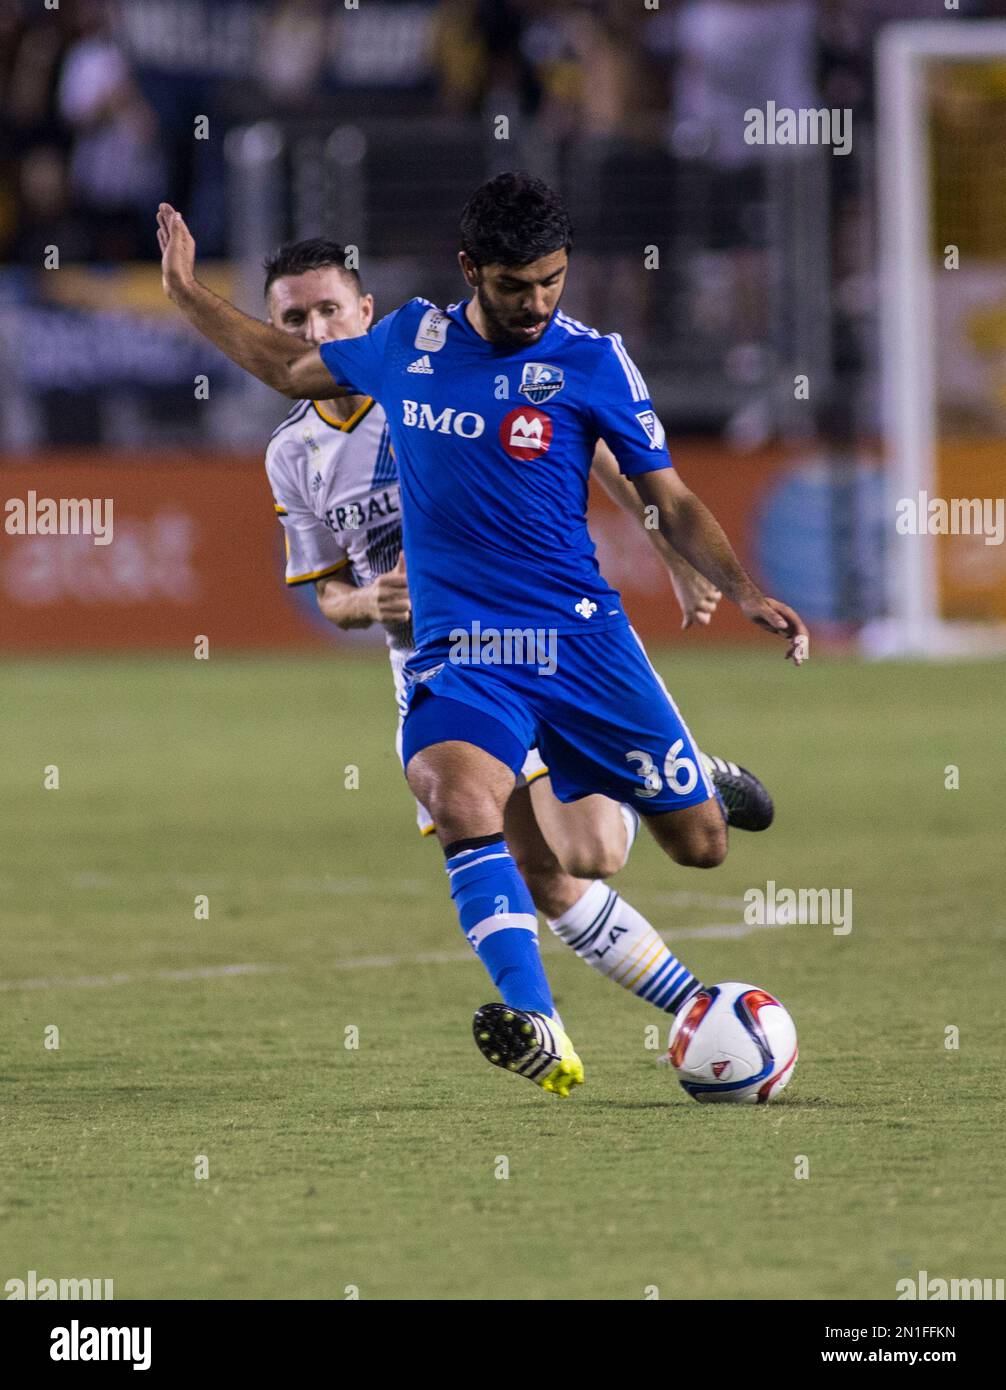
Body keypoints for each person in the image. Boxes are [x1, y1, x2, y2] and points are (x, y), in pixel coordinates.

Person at [157, 173, 808, 1099]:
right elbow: (282, 373)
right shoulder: (395, 358)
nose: (537, 302)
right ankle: (538, 1017)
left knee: (674, 849)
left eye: (552, 281)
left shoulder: (589, 359)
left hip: (576, 643)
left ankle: (693, 776)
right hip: (461, 653)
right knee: (463, 802)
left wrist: (727, 581)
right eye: (515, 286)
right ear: (472, 271)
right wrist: (185, 292)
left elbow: (652, 481)